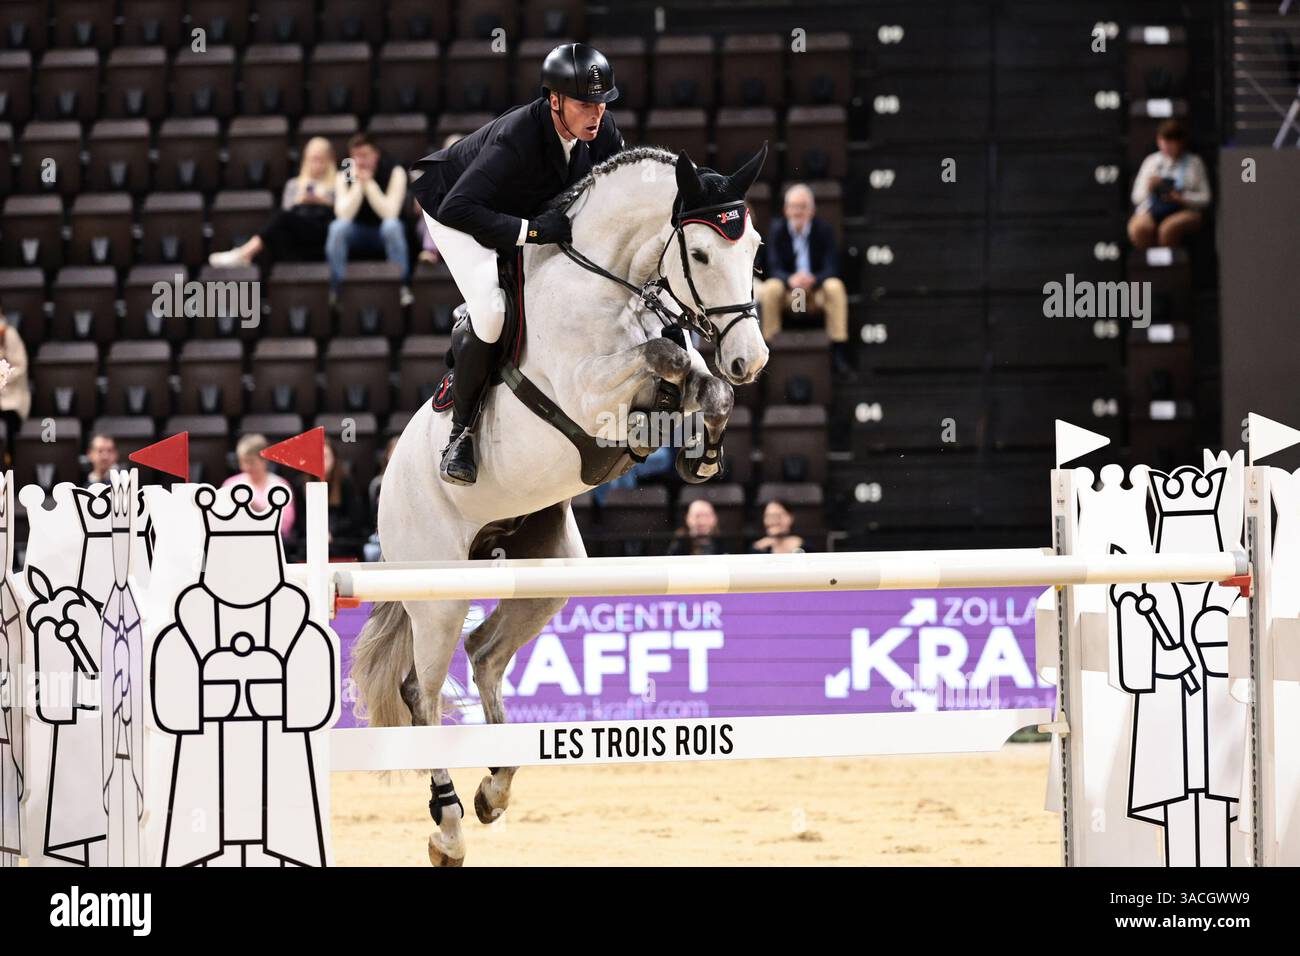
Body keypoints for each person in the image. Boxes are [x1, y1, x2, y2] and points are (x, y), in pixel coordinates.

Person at [410, 42, 625, 487]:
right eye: (586, 104)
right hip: (452, 208)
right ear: (554, 100)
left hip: (512, 207)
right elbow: (459, 208)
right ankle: (461, 434)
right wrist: (533, 232)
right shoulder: (517, 137)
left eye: (602, 103)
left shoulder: (600, 132)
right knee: (493, 313)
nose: (596, 114)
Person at [758, 184, 850, 374]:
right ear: (786, 210)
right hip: (789, 294)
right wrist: (790, 279)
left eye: (803, 206)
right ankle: (768, 350)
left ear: (812, 210)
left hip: (815, 293)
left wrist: (813, 279)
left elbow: (832, 267)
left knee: (835, 286)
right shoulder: (777, 230)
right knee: (770, 288)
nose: (798, 211)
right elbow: (773, 267)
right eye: (794, 206)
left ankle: (838, 350)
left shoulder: (823, 230)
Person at [208, 136, 338, 268]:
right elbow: (287, 209)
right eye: (313, 159)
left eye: (321, 160)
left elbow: (344, 214)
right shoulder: (294, 184)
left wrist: (323, 200)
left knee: (282, 218)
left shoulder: (338, 182)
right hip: (298, 234)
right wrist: (300, 200)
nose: (317, 164)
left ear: (330, 161)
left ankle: (244, 253)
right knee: (278, 227)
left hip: (323, 233)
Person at [327, 132, 411, 304]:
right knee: (337, 228)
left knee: (392, 226)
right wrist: (359, 185)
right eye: (355, 156)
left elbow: (390, 213)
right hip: (357, 232)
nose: (360, 161)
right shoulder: (345, 173)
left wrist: (370, 185)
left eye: (365, 155)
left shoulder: (394, 170)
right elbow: (342, 214)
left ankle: (401, 286)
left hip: (383, 232)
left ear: (376, 155)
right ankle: (339, 289)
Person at [1127, 119, 1212, 250]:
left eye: (1171, 142)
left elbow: (1206, 198)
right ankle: (1148, 266)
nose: (1166, 146)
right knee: (1139, 229)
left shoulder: (1194, 163)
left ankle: (1170, 268)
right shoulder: (1151, 162)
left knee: (1168, 229)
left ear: (1181, 142)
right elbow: (1136, 198)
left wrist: (1182, 198)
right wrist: (1149, 188)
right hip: (1152, 210)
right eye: (1163, 141)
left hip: (1184, 210)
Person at [221, 434, 298, 540]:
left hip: (271, 542)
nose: (246, 467)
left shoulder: (280, 486)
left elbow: (285, 526)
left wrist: (258, 509)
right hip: (237, 540)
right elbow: (221, 518)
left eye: (251, 462)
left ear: (264, 460)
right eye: (243, 461)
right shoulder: (230, 484)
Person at [321, 439, 368, 558]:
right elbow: (300, 520)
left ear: (334, 459)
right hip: (311, 541)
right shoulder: (302, 484)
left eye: (325, 457)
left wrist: (331, 531)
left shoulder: (346, 483)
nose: (321, 462)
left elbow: (355, 518)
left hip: (341, 540)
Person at [0, 309, 30, 460]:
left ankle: (9, 460)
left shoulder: (9, 335)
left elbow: (20, 367)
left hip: (10, 398)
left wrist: (2, 375)